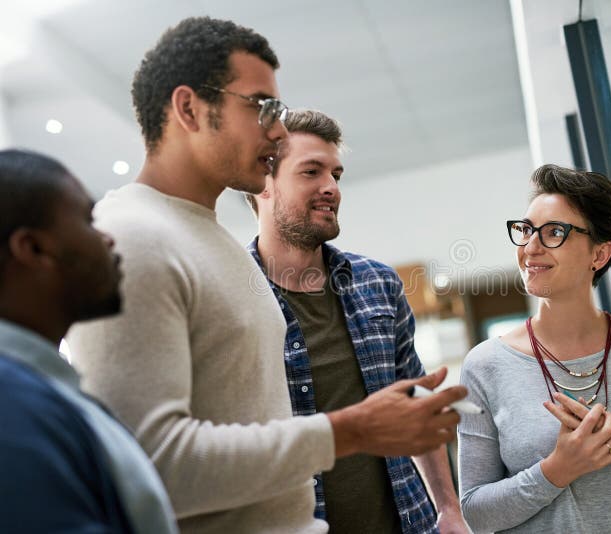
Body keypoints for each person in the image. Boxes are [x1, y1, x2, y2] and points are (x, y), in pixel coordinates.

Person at [67, 17, 466, 533]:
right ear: (189, 108)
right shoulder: (130, 240)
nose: (276, 130)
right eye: (260, 107)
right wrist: (348, 431)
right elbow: (141, 465)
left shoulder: (208, 242)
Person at [245, 108, 470, 533]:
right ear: (264, 183)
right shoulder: (232, 295)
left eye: (337, 174)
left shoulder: (378, 282)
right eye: (311, 172)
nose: (331, 187)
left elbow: (416, 401)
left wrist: (448, 508)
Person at [457, 164, 611, 533]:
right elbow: (476, 512)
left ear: (599, 255)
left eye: (554, 232)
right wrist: (558, 469)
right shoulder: (484, 365)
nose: (531, 247)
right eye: (525, 231)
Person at [0, 149, 177, 533]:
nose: (107, 239)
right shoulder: (11, 410)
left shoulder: (43, 391)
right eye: (87, 220)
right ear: (33, 249)